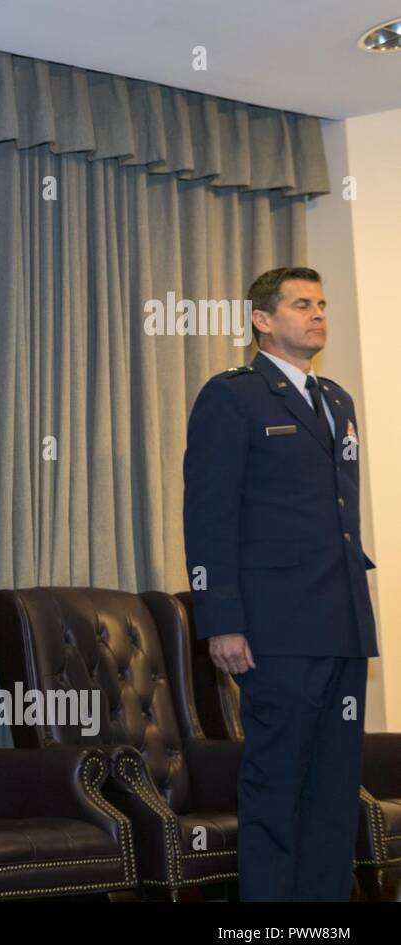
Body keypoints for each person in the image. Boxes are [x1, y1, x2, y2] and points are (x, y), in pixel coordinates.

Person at [183, 266, 377, 901]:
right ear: (262, 320)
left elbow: (340, 520)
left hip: (341, 623)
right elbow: (209, 516)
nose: (317, 315)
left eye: (322, 304)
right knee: (276, 787)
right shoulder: (233, 396)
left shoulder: (338, 400)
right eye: (301, 304)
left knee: (332, 792)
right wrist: (221, 620)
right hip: (274, 629)